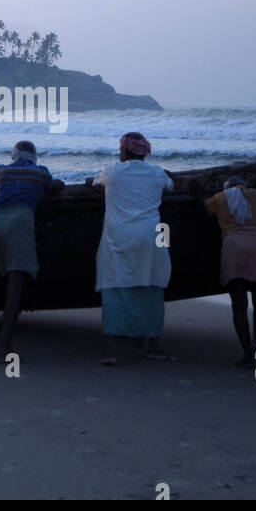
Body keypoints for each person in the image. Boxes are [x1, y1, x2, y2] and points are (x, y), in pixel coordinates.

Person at [93, 132, 175, 365]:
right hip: (150, 235)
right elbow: (171, 184)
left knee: (114, 288)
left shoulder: (111, 172)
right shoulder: (158, 174)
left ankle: (110, 351)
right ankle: (153, 347)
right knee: (151, 286)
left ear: (125, 151)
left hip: (118, 236)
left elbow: (96, 183)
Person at [0, 141, 64, 362]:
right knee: (16, 282)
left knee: (10, 278)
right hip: (20, 221)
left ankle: (7, 339)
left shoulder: (0, 170)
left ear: (14, 155)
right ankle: (2, 345)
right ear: (34, 156)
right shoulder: (40, 173)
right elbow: (54, 186)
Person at [205, 175, 256, 366]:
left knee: (239, 303)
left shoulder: (219, 198)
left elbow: (205, 207)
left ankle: (246, 353)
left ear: (226, 188)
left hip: (232, 245)